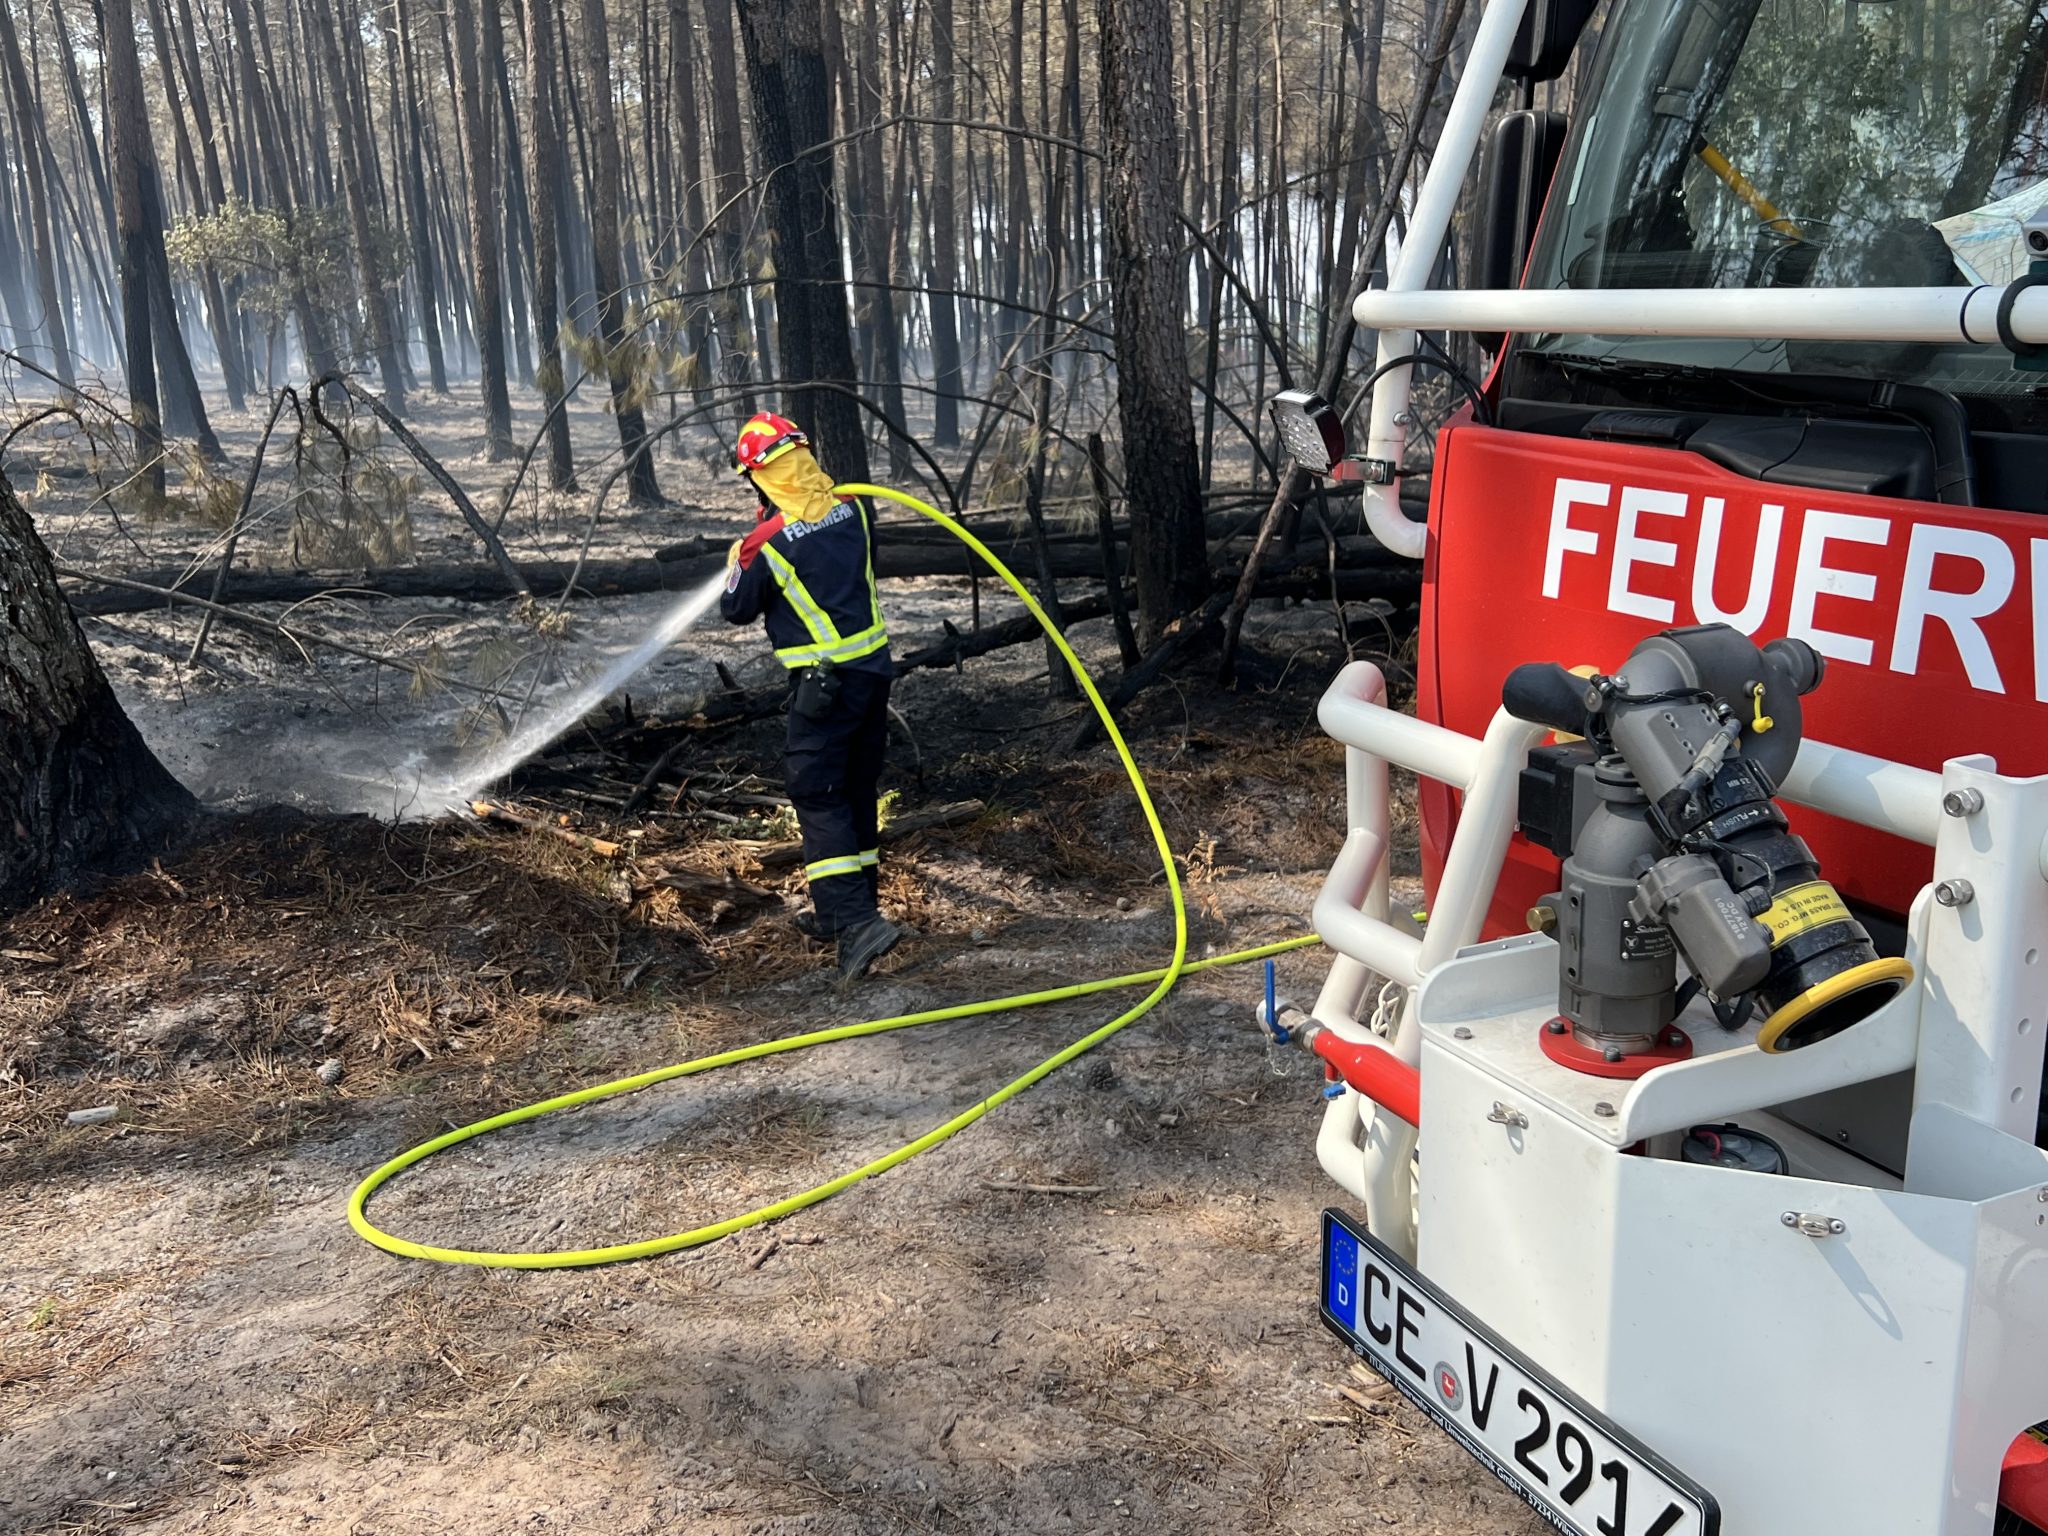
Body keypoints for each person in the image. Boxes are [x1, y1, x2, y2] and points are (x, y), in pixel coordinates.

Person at [719, 412, 902, 980]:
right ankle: (844, 907)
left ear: (761, 477)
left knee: (817, 792)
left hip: (825, 687)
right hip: (872, 674)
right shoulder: (853, 508)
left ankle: (855, 922)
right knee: (853, 788)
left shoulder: (765, 546)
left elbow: (735, 609)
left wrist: (737, 561)